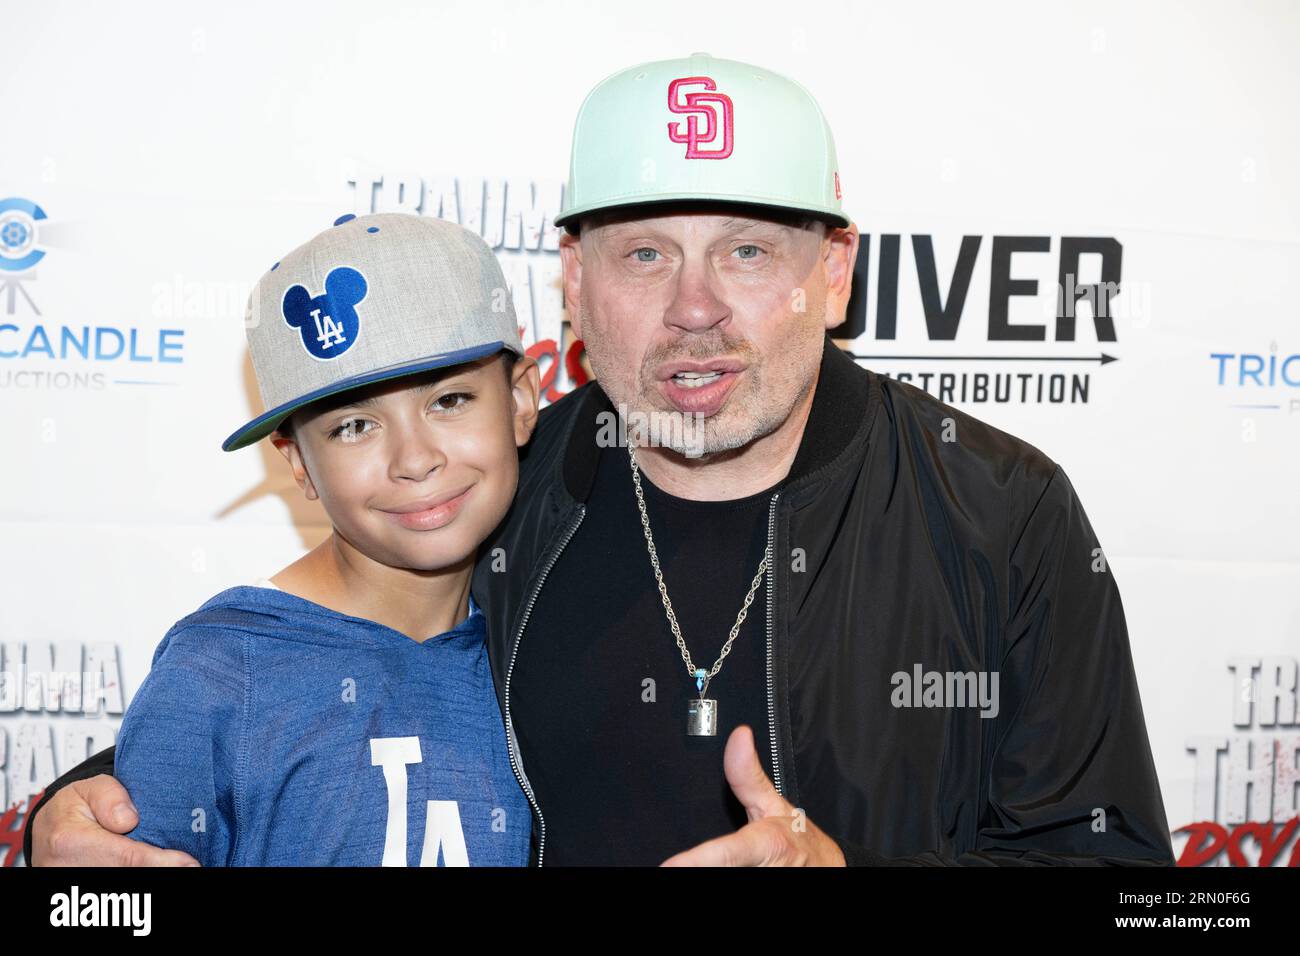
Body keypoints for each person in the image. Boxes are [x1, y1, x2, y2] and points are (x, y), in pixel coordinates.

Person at [26, 54, 1173, 867]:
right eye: (642, 254)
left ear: (834, 274)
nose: (693, 308)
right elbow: (289, 689)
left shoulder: (999, 510)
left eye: (747, 248)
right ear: (571, 285)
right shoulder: (501, 488)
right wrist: (71, 807)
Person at [86, 212, 541, 865]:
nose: (414, 459)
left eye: (449, 401)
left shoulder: (539, 650)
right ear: (298, 461)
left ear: (521, 401)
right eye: (355, 426)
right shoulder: (218, 669)